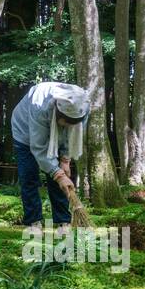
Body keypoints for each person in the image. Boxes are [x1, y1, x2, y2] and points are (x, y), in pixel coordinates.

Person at [10, 82, 89, 229]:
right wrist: (58, 174)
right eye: (66, 122)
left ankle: (62, 221)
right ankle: (33, 221)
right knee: (29, 176)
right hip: (25, 133)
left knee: (60, 180)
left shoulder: (83, 105)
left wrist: (65, 160)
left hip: (55, 137)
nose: (68, 126)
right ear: (58, 112)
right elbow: (38, 146)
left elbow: (71, 135)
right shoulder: (40, 105)